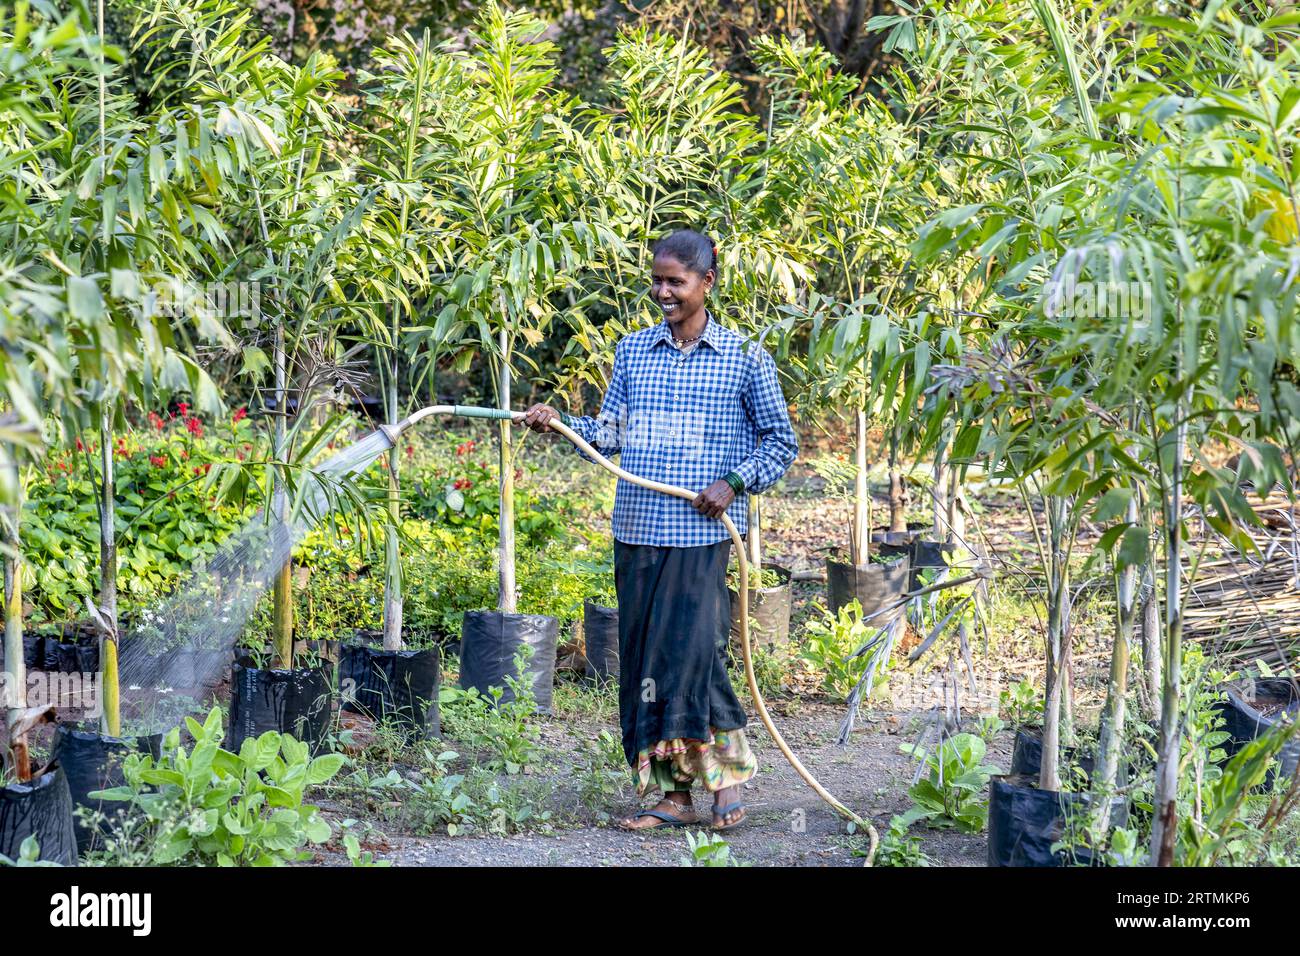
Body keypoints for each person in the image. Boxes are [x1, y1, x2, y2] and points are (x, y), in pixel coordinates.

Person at [521, 229, 798, 831]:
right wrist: (558, 422)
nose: (663, 291)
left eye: (676, 281)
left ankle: (726, 777)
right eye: (658, 280)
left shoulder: (744, 358)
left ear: (707, 283)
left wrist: (733, 481)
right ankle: (671, 795)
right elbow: (612, 433)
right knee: (645, 663)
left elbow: (782, 442)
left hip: (702, 535)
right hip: (638, 528)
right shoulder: (634, 351)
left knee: (696, 656)